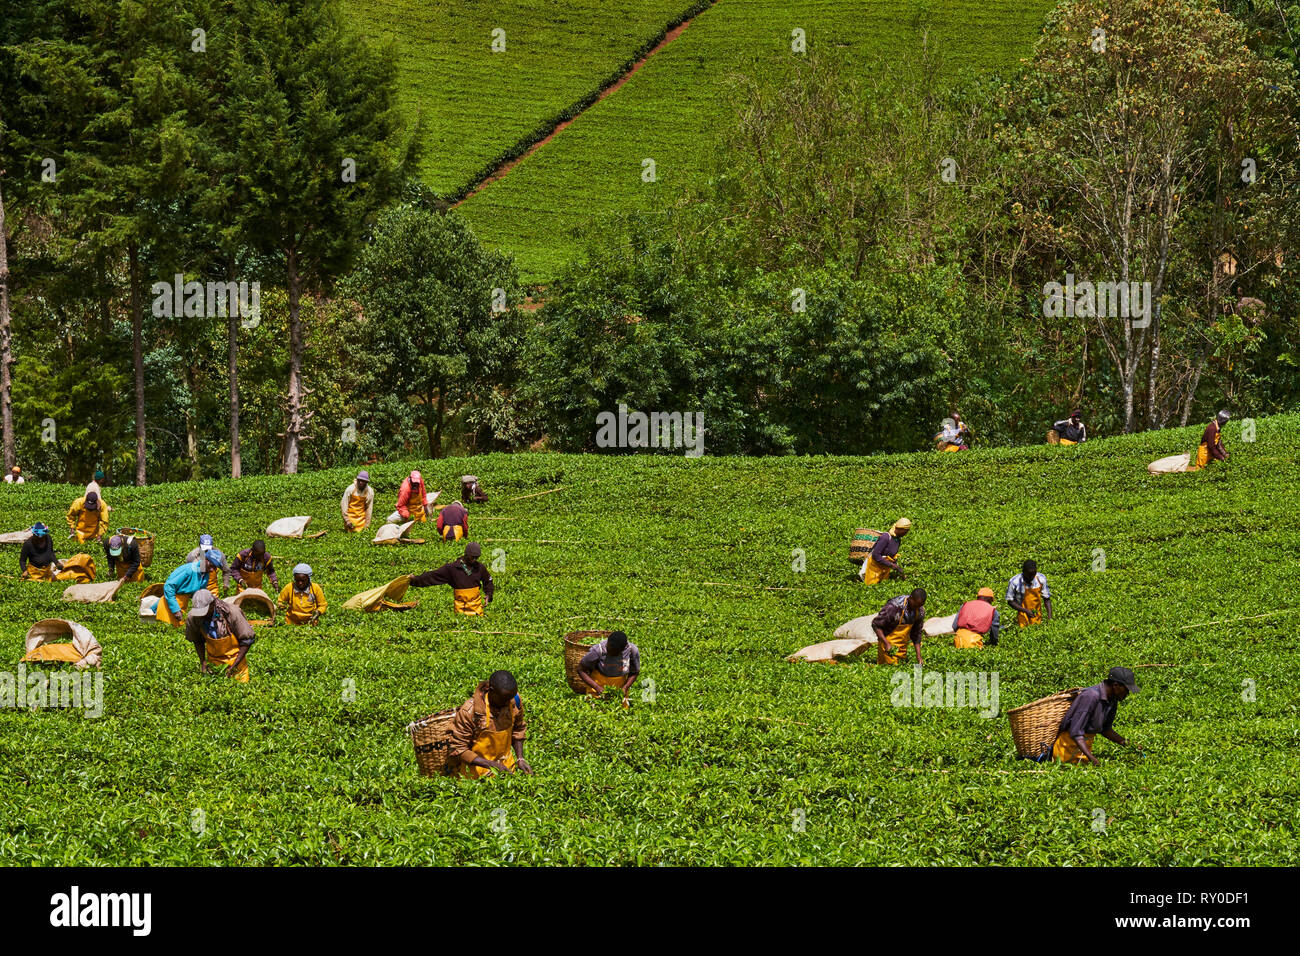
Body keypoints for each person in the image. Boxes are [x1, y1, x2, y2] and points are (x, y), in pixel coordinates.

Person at [447, 670, 533, 779]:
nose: (508, 703)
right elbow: (458, 748)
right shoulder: (470, 711)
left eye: (510, 698)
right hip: (475, 777)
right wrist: (491, 765)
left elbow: (518, 729)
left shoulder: (513, 700)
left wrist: (520, 758)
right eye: (504, 699)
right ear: (491, 691)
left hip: (507, 770)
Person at [1052, 667, 1140, 764]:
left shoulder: (1112, 700)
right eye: (1127, 689)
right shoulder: (1090, 696)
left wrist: (1128, 744)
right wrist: (1091, 758)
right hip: (1067, 749)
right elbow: (1075, 732)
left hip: (1084, 748)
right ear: (1116, 685)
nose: (1128, 693)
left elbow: (1105, 729)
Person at [186, 589, 256, 682]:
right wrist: (203, 662)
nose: (202, 615)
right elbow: (197, 640)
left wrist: (233, 666)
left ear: (212, 604)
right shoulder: (193, 617)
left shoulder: (231, 613)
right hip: (214, 662)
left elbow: (247, 640)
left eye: (205, 611)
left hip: (236, 662)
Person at [408, 542, 495, 615]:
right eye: (472, 557)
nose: (474, 560)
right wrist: (416, 579)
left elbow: (488, 580)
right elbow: (433, 576)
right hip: (460, 609)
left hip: (477, 609)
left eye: (477, 557)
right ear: (466, 554)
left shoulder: (480, 567)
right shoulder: (452, 568)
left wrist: (488, 594)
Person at [159, 549, 227, 627]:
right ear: (205, 560)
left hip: (183, 605)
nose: (212, 570)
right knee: (167, 628)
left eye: (215, 567)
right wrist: (175, 610)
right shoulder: (189, 570)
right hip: (169, 606)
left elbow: (200, 593)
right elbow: (169, 586)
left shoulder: (205, 575)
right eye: (211, 565)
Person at [577, 631, 640, 706]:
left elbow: (635, 672)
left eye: (613, 652)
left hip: (620, 687)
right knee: (596, 710)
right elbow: (581, 669)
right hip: (598, 685)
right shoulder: (598, 650)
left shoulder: (632, 650)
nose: (609, 652)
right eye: (608, 648)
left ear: (622, 649)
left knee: (618, 711)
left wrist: (625, 687)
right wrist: (596, 687)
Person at [872, 588, 927, 666]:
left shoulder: (920, 611)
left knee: (900, 667)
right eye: (915, 605)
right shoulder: (894, 607)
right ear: (910, 598)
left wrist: (918, 656)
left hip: (902, 646)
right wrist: (886, 643)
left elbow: (916, 633)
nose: (917, 608)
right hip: (888, 645)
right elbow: (876, 625)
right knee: (889, 668)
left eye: (920, 606)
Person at [859, 518, 911, 585]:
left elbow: (892, 554)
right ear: (900, 529)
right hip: (874, 567)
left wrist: (896, 567)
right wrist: (891, 565)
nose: (905, 534)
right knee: (872, 586)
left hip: (884, 568)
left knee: (883, 584)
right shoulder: (886, 537)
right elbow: (876, 555)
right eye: (905, 532)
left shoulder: (898, 539)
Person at [1006, 559, 1052, 626]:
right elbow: (1010, 601)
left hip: (1037, 614)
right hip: (1022, 615)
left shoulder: (1041, 579)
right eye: (1029, 575)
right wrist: (1025, 610)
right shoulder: (1014, 582)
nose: (1031, 577)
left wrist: (1050, 618)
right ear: (1023, 571)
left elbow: (1047, 599)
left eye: (1033, 574)